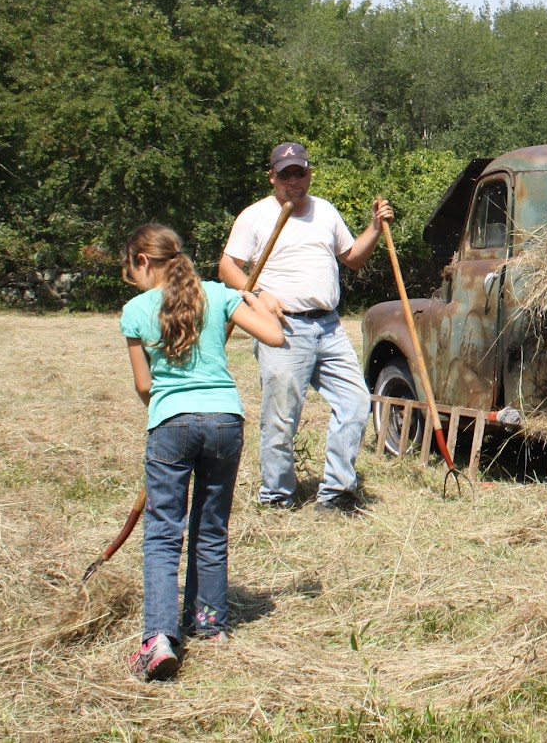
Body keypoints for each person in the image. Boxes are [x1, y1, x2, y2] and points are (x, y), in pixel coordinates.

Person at [120, 224, 284, 681]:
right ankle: (209, 624)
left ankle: (158, 638)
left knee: (162, 534)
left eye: (129, 269)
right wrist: (257, 301)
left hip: (171, 424)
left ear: (142, 261)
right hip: (225, 423)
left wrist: (165, 417)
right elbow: (274, 337)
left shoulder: (135, 311)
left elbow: (144, 386)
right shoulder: (218, 295)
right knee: (210, 527)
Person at [218, 142, 394, 515]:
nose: (293, 181)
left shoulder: (325, 211)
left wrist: (375, 229)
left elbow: (353, 258)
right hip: (282, 328)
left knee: (356, 402)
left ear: (309, 173)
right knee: (281, 417)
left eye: (300, 172)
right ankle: (277, 495)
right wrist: (259, 295)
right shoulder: (255, 216)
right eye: (285, 174)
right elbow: (228, 268)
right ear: (273, 177)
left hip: (329, 327)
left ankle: (336, 493)